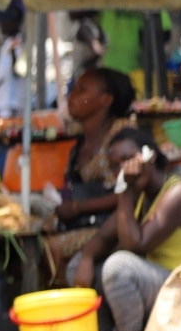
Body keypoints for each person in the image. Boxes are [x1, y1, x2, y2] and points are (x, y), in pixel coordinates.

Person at [71, 128, 181, 331]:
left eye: (128, 159)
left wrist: (125, 191)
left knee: (119, 266)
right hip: (158, 282)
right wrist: (87, 258)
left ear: (150, 157)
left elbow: (136, 245)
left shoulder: (178, 193)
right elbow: (103, 237)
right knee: (78, 266)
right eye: (115, 166)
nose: (123, 170)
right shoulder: (138, 196)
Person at [45, 67, 136, 280]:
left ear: (105, 100)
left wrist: (77, 207)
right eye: (74, 89)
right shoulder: (80, 139)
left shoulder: (122, 135)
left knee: (50, 249)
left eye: (82, 90)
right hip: (85, 222)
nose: (72, 96)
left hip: (113, 226)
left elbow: (130, 191)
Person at [0, 5, 28, 117]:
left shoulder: (19, 43)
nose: (1, 25)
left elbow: (19, 70)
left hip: (12, 104)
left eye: (4, 22)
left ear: (13, 23)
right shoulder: (8, 43)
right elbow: (0, 76)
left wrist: (13, 53)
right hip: (3, 104)